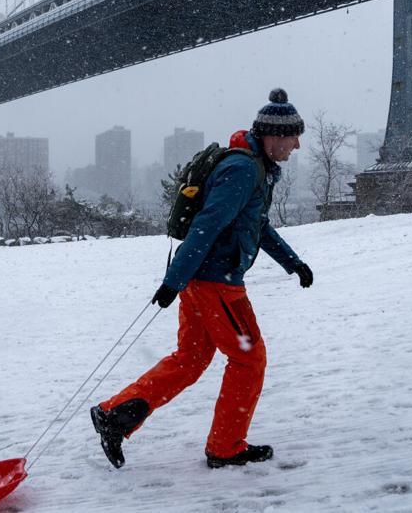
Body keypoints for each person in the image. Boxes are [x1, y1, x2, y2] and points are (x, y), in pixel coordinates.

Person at [91, 88, 314, 470]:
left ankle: (116, 416)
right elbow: (206, 227)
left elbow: (255, 224)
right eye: (292, 137)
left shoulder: (253, 167)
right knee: (249, 359)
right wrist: (172, 282)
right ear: (273, 136)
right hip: (218, 285)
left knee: (191, 358)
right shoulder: (243, 169)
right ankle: (226, 447)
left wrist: (293, 263)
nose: (295, 146)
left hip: (203, 282)